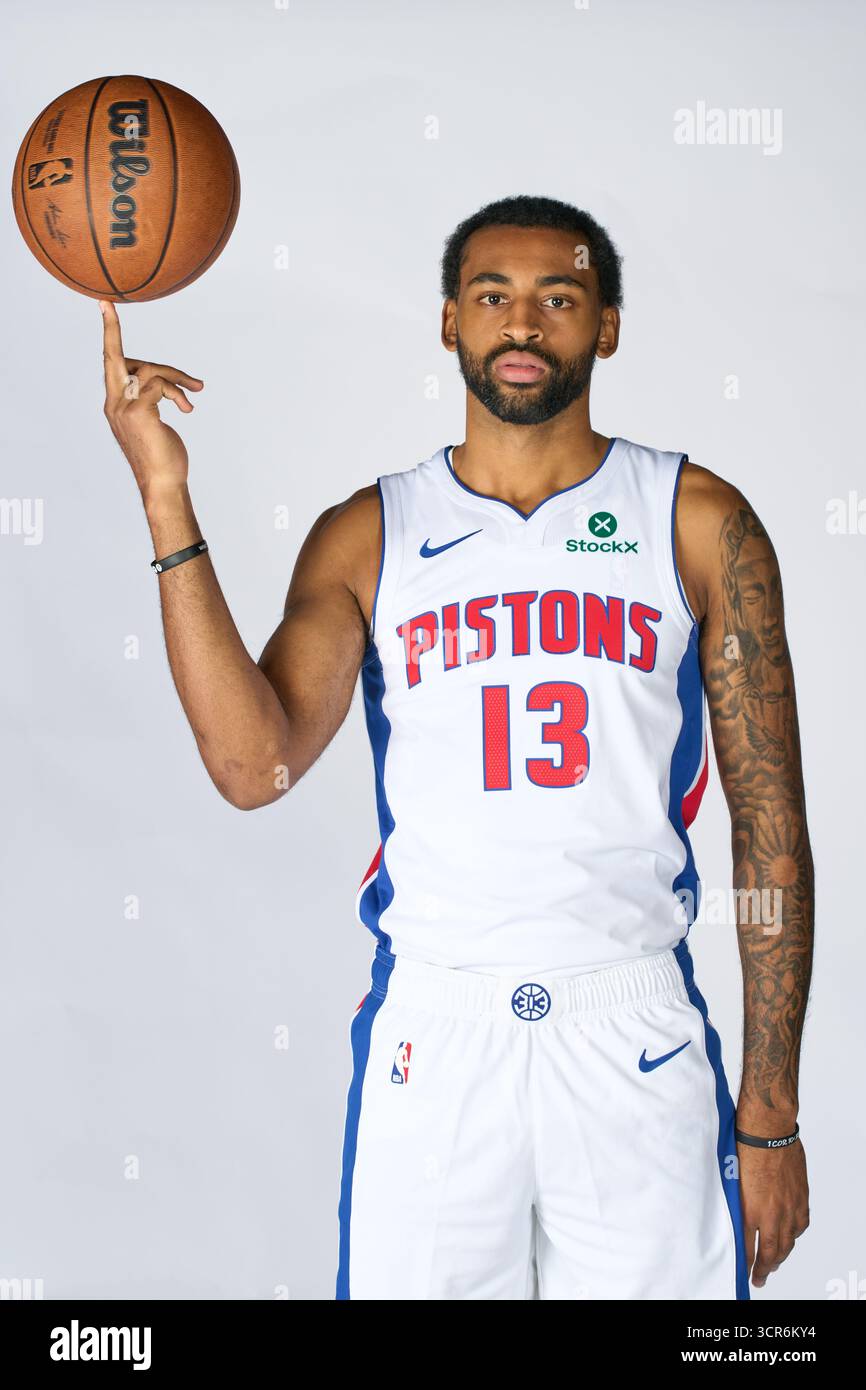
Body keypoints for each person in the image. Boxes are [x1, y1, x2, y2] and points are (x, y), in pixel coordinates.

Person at [99, 194, 812, 1301]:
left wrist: (767, 1114)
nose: (521, 325)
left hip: (630, 1029)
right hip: (435, 1030)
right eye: (492, 297)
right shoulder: (369, 532)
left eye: (557, 298)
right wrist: (162, 493)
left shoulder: (697, 520)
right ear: (448, 323)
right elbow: (253, 767)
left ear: (605, 325)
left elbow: (769, 832)